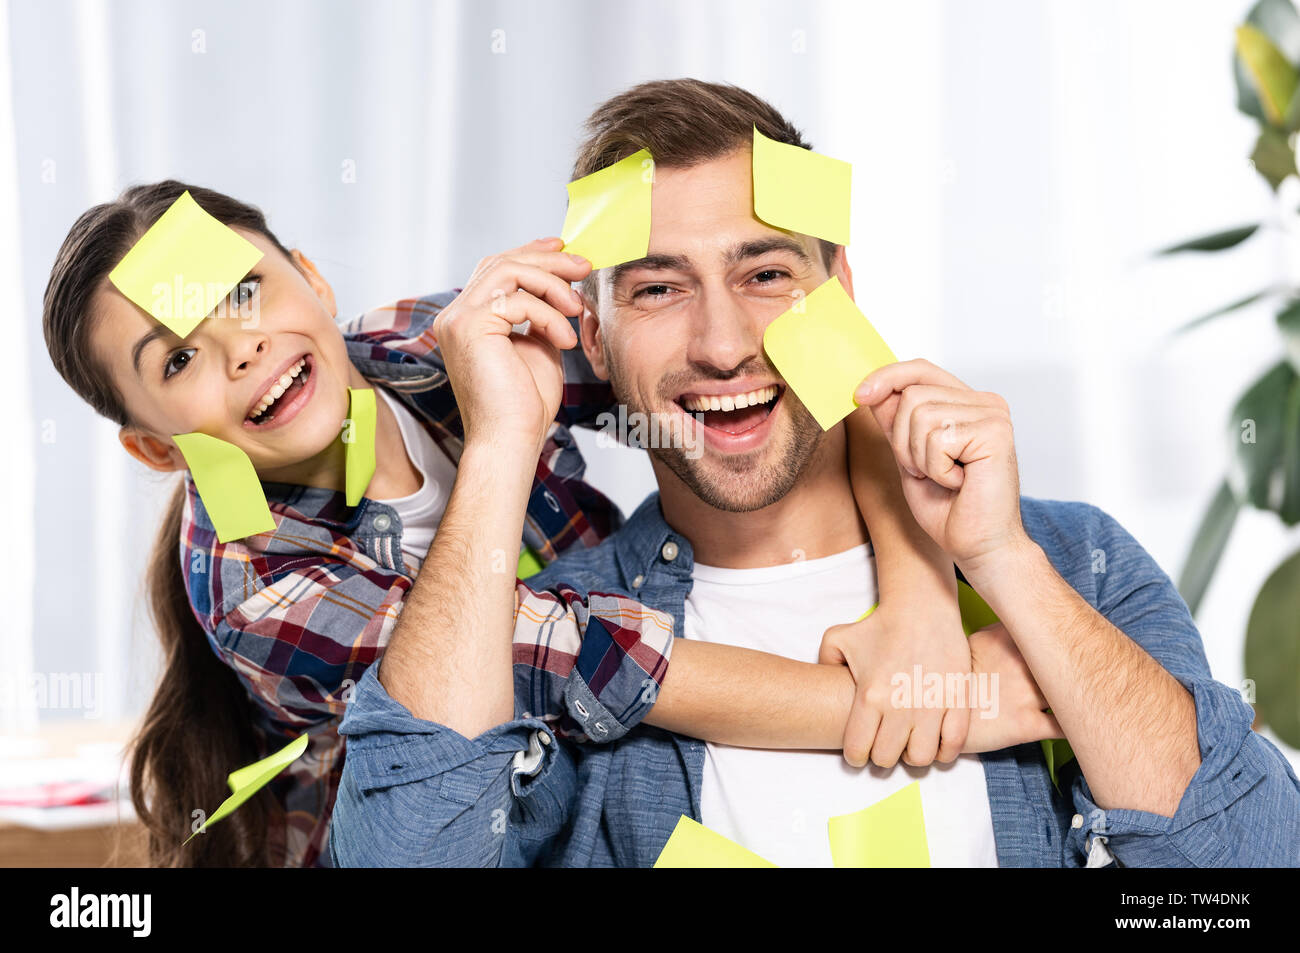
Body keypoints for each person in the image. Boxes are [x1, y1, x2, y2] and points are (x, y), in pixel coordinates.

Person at [329, 79, 1300, 867]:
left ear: (838, 292)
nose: (722, 344)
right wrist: (501, 442)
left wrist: (999, 561)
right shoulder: (555, 633)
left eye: (764, 275)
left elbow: (1247, 871)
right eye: (659, 288)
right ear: (593, 333)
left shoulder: (1068, 557)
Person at [44, 180, 998, 866]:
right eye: (177, 360)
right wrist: (961, 706)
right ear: (157, 450)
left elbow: (787, 365)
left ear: (312, 279)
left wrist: (918, 605)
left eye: (244, 293)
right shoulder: (260, 586)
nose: (242, 347)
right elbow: (591, 660)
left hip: (651, 726)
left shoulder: (433, 339)